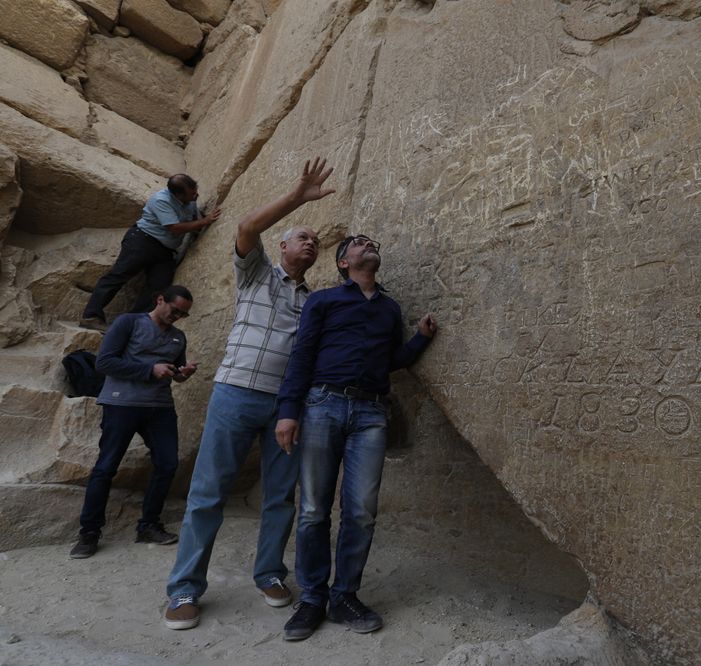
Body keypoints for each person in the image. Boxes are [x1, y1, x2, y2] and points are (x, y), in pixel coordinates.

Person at [163, 158, 335, 631]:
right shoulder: (257, 273)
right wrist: (297, 196)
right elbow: (245, 227)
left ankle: (270, 573)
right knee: (207, 494)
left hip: (285, 407)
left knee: (281, 496)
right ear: (282, 246)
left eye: (316, 242)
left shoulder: (314, 302)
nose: (311, 243)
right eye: (303, 237)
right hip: (236, 392)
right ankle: (183, 588)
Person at [276, 233, 437, 641]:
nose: (368, 244)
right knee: (313, 508)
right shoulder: (323, 301)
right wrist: (288, 411)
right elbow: (302, 355)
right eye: (358, 243)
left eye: (371, 242)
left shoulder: (389, 309)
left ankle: (344, 596)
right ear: (343, 263)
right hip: (322, 404)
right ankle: (312, 597)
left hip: (371, 413)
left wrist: (420, 338)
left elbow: (392, 360)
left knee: (362, 511)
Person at [70, 285, 198, 559]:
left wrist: (182, 374)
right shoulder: (129, 322)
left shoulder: (178, 337)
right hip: (121, 404)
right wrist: (149, 370)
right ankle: (89, 533)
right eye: (174, 310)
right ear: (160, 299)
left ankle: (148, 526)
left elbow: (173, 372)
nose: (177, 316)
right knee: (106, 467)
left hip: (160, 407)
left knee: (167, 464)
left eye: (183, 314)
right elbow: (104, 363)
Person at [79, 175, 221, 331]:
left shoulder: (190, 202)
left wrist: (200, 222)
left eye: (196, 191)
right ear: (177, 195)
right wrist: (204, 221)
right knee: (119, 275)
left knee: (159, 288)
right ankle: (91, 316)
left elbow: (193, 220)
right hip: (142, 241)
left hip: (165, 250)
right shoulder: (161, 200)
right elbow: (174, 227)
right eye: (192, 194)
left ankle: (132, 325)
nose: (196, 196)